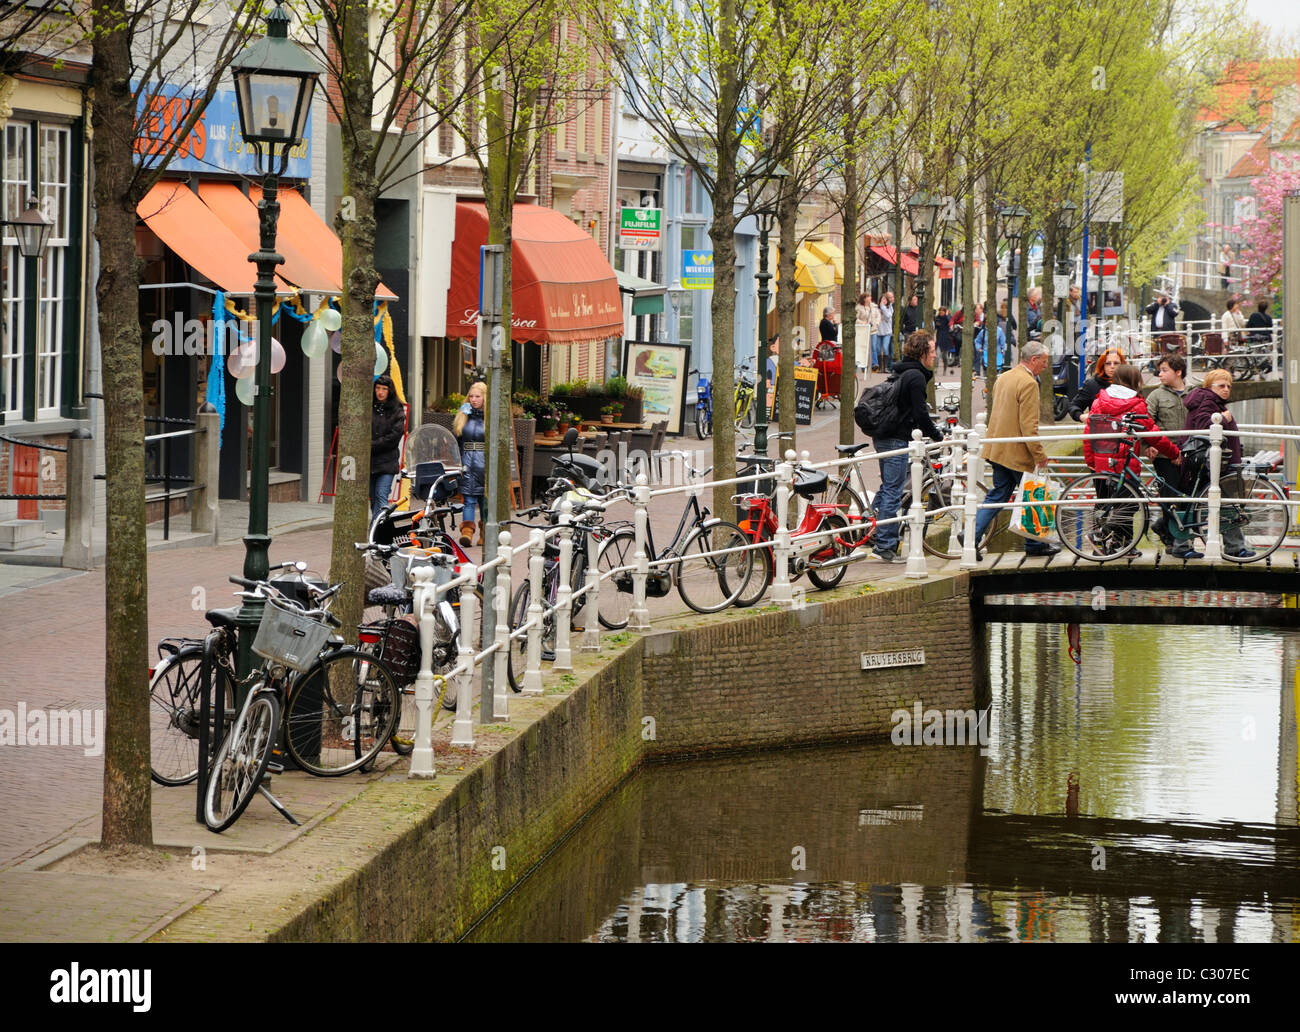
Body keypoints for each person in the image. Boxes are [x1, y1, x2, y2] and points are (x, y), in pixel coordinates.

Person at [1083, 363, 1186, 558]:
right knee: (1130, 504)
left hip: (1102, 460)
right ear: (1134, 381)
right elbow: (1154, 435)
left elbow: (1089, 432)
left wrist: (1091, 461)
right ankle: (1101, 534)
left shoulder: (1099, 400)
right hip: (1123, 461)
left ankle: (1120, 547)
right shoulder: (1136, 404)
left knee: (1108, 504)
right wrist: (1174, 453)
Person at [970, 340, 1059, 558]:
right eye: (1045, 362)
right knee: (1032, 496)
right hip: (1016, 452)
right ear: (1034, 360)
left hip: (997, 447)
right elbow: (1029, 425)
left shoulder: (1005, 377)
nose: (1046, 366)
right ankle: (1035, 545)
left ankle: (970, 535)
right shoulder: (1029, 383)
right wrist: (1040, 455)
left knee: (999, 494)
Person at [869, 330, 944, 564]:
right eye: (932, 351)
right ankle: (885, 545)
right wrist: (936, 435)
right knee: (894, 490)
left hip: (885, 434)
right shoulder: (916, 377)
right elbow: (920, 412)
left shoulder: (902, 371)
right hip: (895, 437)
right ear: (923, 353)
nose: (935, 356)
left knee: (888, 487)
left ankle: (871, 525)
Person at [1183, 369, 1253, 558]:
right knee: (1226, 503)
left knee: (1201, 501)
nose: (1226, 389)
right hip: (1211, 462)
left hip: (1212, 461)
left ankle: (1174, 537)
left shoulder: (1210, 400)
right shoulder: (1208, 400)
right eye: (1221, 385)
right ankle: (1235, 547)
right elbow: (1205, 425)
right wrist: (1223, 418)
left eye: (1228, 386)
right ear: (1209, 387)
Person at [1145, 354, 1191, 554]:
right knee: (1169, 495)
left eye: (1164, 370)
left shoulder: (1194, 393)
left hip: (1189, 453)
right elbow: (1147, 421)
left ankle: (1164, 526)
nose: (1160, 374)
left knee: (1187, 496)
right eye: (1160, 370)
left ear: (1178, 372)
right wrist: (1148, 445)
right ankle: (1172, 538)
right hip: (1165, 455)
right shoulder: (1156, 396)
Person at [453, 380, 487, 547]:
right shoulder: (463, 415)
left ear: (484, 398)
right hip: (467, 461)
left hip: (484, 462)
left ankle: (485, 533)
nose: (474, 399)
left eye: (478, 396)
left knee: (484, 500)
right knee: (469, 498)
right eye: (471, 396)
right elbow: (457, 441)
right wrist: (458, 463)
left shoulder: (491, 417)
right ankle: (467, 532)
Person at [370, 375, 406, 520]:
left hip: (387, 463)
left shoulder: (397, 410)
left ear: (389, 391)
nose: (380, 392)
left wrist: (372, 445)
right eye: (378, 388)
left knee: (381, 496)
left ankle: (376, 532)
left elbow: (394, 436)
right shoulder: (369, 407)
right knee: (373, 499)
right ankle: (380, 527)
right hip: (370, 463)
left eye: (384, 389)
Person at [1068, 347, 1125, 421]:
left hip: (1125, 430)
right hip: (1099, 429)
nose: (1112, 366)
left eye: (1116, 363)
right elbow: (1073, 406)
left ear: (1122, 365)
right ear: (1102, 365)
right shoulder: (1092, 384)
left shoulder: (1130, 383)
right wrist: (1081, 416)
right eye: (1108, 363)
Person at [875, 292, 895, 374]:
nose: (883, 301)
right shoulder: (877, 309)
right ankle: (880, 368)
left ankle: (885, 367)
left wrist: (883, 307)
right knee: (878, 349)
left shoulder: (889, 308)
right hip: (878, 332)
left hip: (887, 332)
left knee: (885, 348)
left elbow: (888, 317)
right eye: (882, 299)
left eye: (885, 300)